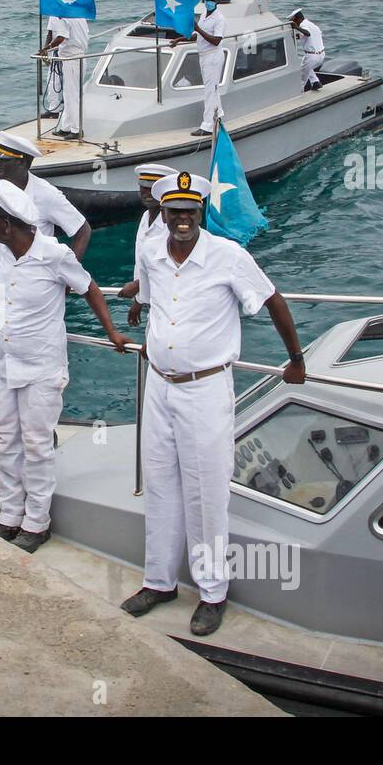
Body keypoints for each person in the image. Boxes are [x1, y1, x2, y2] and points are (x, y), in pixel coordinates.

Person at [122, 170, 305, 636]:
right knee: (160, 484)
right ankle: (159, 582)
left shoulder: (228, 257)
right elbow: (147, 291)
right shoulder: (150, 251)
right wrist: (144, 318)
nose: (182, 219)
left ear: (201, 213)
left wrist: (296, 360)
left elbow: (274, 302)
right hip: (160, 386)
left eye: (190, 212)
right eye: (174, 212)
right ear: (161, 214)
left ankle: (211, 593)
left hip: (205, 390)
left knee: (206, 493)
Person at [0, 180, 130, 553]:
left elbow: (90, 289)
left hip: (42, 369)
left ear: (7, 225)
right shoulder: (2, 255)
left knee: (36, 445)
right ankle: (10, 514)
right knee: (7, 441)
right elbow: (2, 295)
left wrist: (112, 332)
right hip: (8, 364)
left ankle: (36, 522)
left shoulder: (54, 254)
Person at [0, 131, 90, 448]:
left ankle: (44, 427)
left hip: (32, 291)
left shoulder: (47, 194)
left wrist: (68, 275)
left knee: (41, 364)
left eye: (5, 160)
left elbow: (81, 230)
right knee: (1, 359)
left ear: (23, 163)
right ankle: (6, 430)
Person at [117, 163, 177, 327]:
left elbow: (167, 267)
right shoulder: (145, 217)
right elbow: (144, 263)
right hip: (153, 298)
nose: (147, 193)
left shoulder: (171, 224)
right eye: (143, 188)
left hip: (170, 300)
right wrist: (139, 299)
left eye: (153, 189)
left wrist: (136, 287)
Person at [170, 0, 226, 137]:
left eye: (211, 0)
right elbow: (198, 36)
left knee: (209, 90)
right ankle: (219, 116)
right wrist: (180, 40)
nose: (208, 2)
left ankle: (208, 126)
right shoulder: (203, 16)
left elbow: (216, 40)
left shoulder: (219, 19)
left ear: (217, 2)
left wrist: (199, 30)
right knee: (212, 89)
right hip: (204, 56)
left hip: (213, 56)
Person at [41, 15, 89, 139]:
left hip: (72, 58)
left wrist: (46, 48)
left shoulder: (63, 18)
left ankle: (77, 129)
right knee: (69, 95)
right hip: (77, 56)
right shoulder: (79, 15)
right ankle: (66, 127)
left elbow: (61, 37)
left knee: (72, 95)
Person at [288, 8, 325, 91]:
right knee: (305, 67)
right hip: (321, 55)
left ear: (296, 19)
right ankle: (315, 82)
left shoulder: (303, 25)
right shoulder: (312, 25)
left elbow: (307, 33)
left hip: (311, 56)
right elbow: (301, 36)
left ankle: (299, 94)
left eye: (293, 21)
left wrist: (296, 27)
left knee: (301, 79)